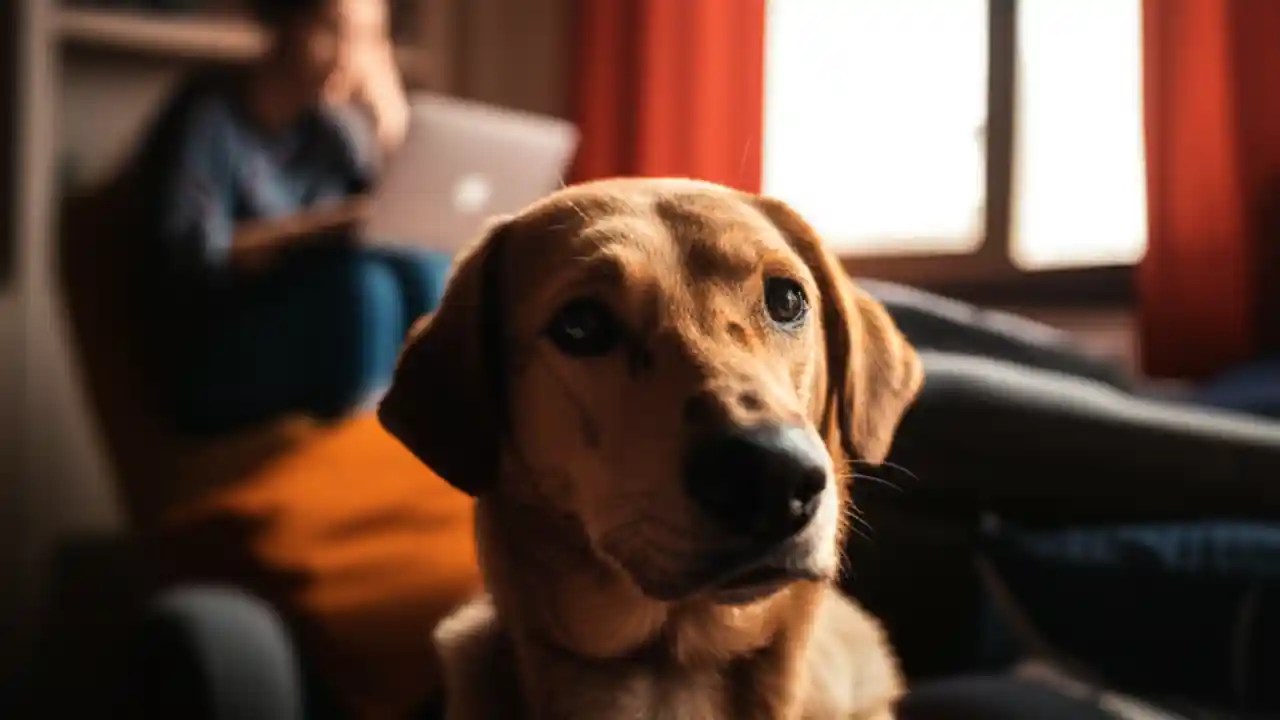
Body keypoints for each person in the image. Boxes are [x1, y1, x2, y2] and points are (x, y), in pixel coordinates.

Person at [133, 0, 451, 434]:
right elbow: (195, 254)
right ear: (285, 23)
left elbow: (404, 219)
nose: (349, 55)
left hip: (322, 332)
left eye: (368, 38)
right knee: (364, 288)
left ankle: (437, 441)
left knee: (424, 266)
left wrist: (390, 121)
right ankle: (359, 453)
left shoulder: (333, 127)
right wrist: (317, 231)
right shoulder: (212, 114)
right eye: (334, 31)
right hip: (219, 349)